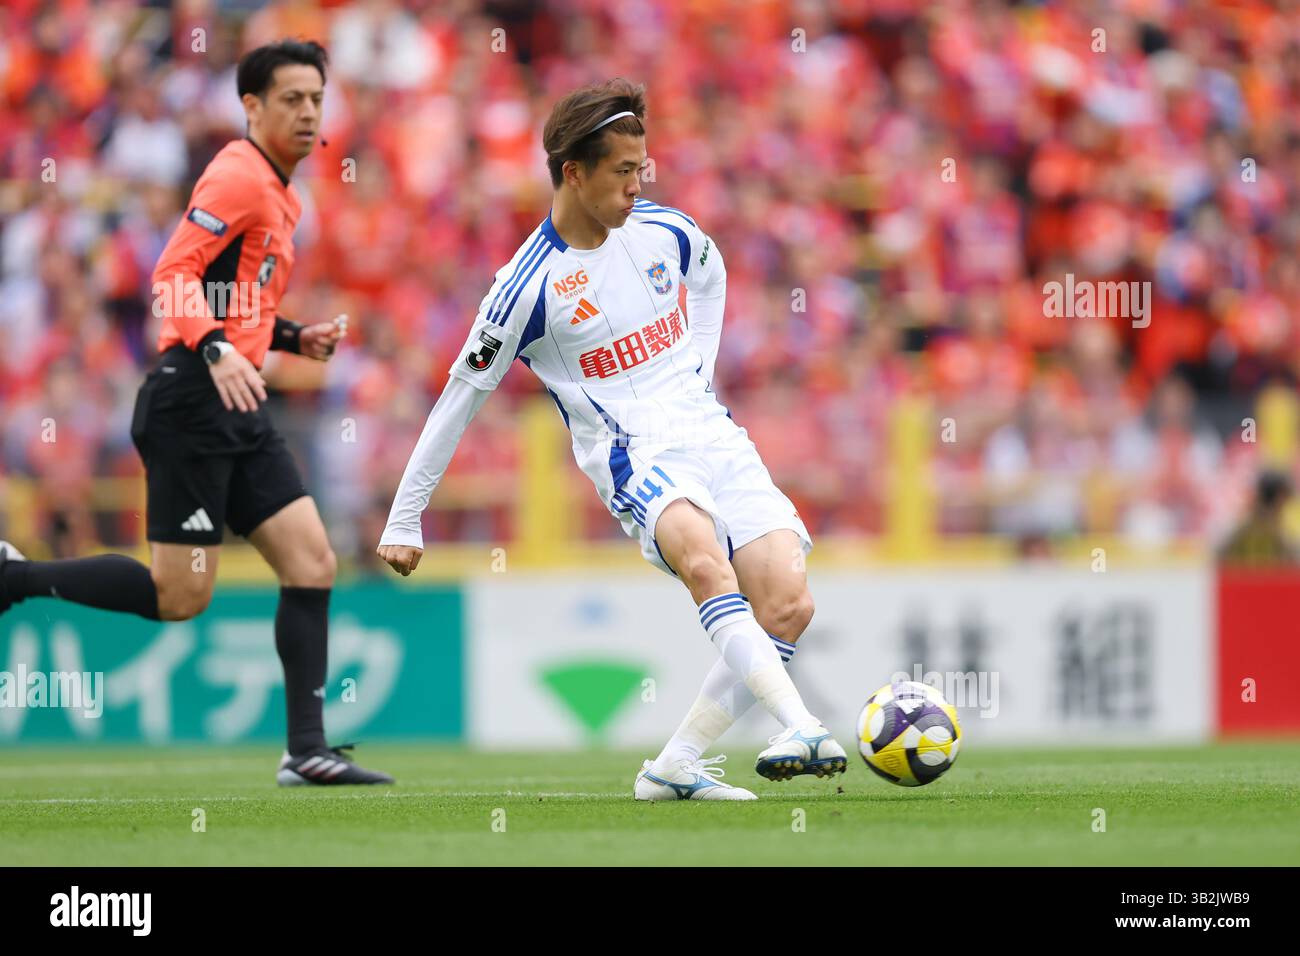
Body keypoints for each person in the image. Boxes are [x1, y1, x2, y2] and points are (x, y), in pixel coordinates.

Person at [377, 78, 845, 800]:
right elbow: (458, 401)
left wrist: (702, 370)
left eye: (640, 170)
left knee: (789, 604)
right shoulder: (525, 288)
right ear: (574, 172)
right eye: (623, 172)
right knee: (707, 568)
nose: (636, 186)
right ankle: (802, 724)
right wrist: (406, 518)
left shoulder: (662, 230)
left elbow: (711, 273)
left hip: (710, 430)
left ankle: (674, 767)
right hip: (637, 454)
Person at [0, 39, 391, 787]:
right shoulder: (240, 175)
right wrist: (214, 349)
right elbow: (170, 273)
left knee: (312, 559)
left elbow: (229, 297)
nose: (309, 112)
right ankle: (14, 579)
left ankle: (305, 751)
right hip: (190, 398)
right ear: (251, 106)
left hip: (237, 400)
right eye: (292, 99)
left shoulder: (284, 192)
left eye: (316, 99)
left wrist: (288, 336)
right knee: (180, 595)